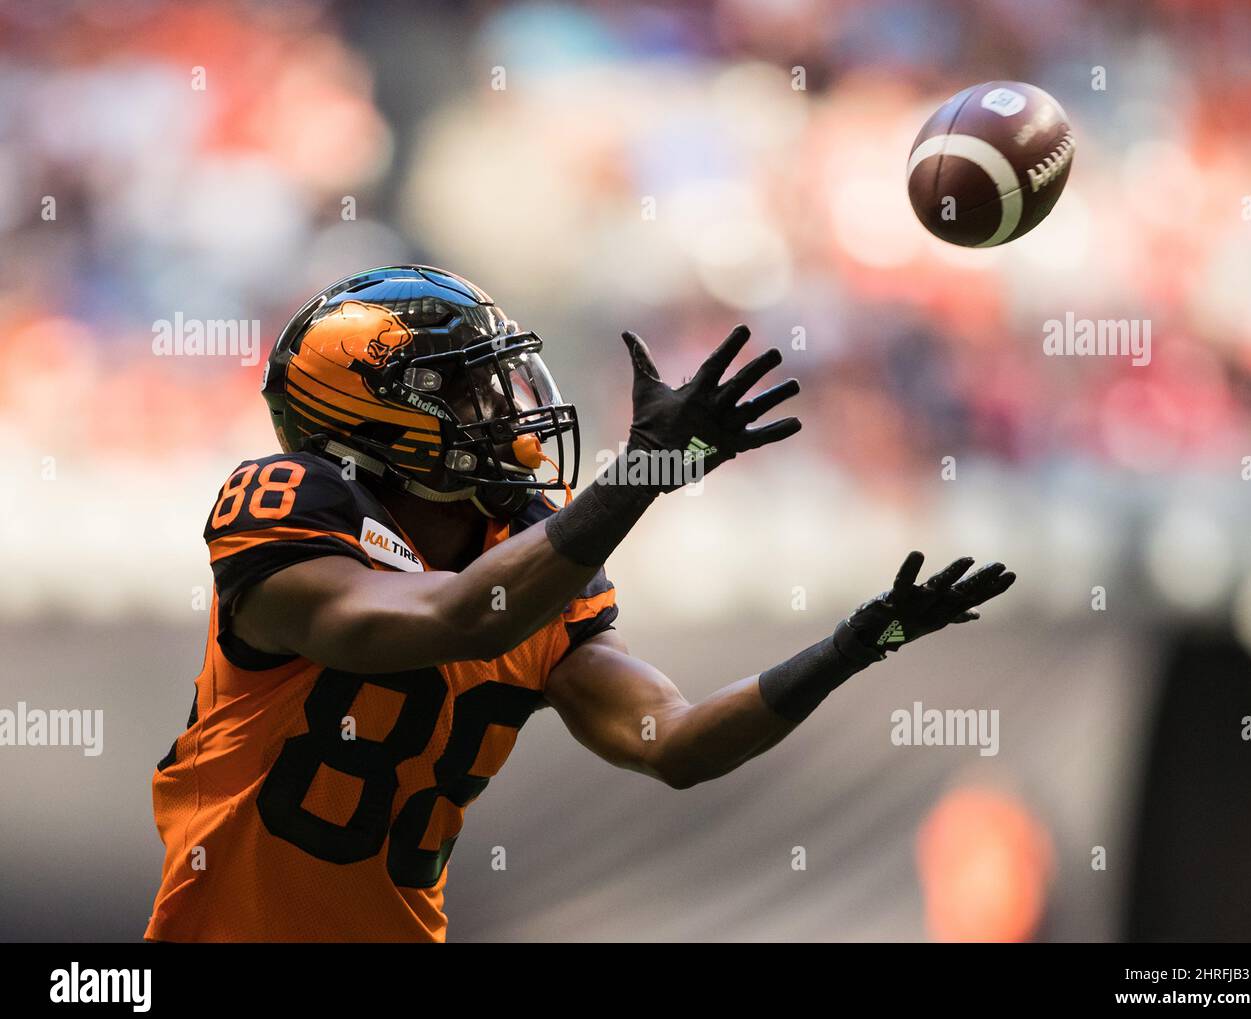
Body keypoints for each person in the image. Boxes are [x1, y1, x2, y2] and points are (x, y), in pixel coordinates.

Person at [145, 265, 1015, 941]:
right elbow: (450, 620)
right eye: (462, 390)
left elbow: (673, 743)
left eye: (499, 380)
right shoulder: (292, 504)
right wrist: (638, 476)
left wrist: (848, 649)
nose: (502, 408)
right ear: (369, 415)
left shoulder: (528, 551)